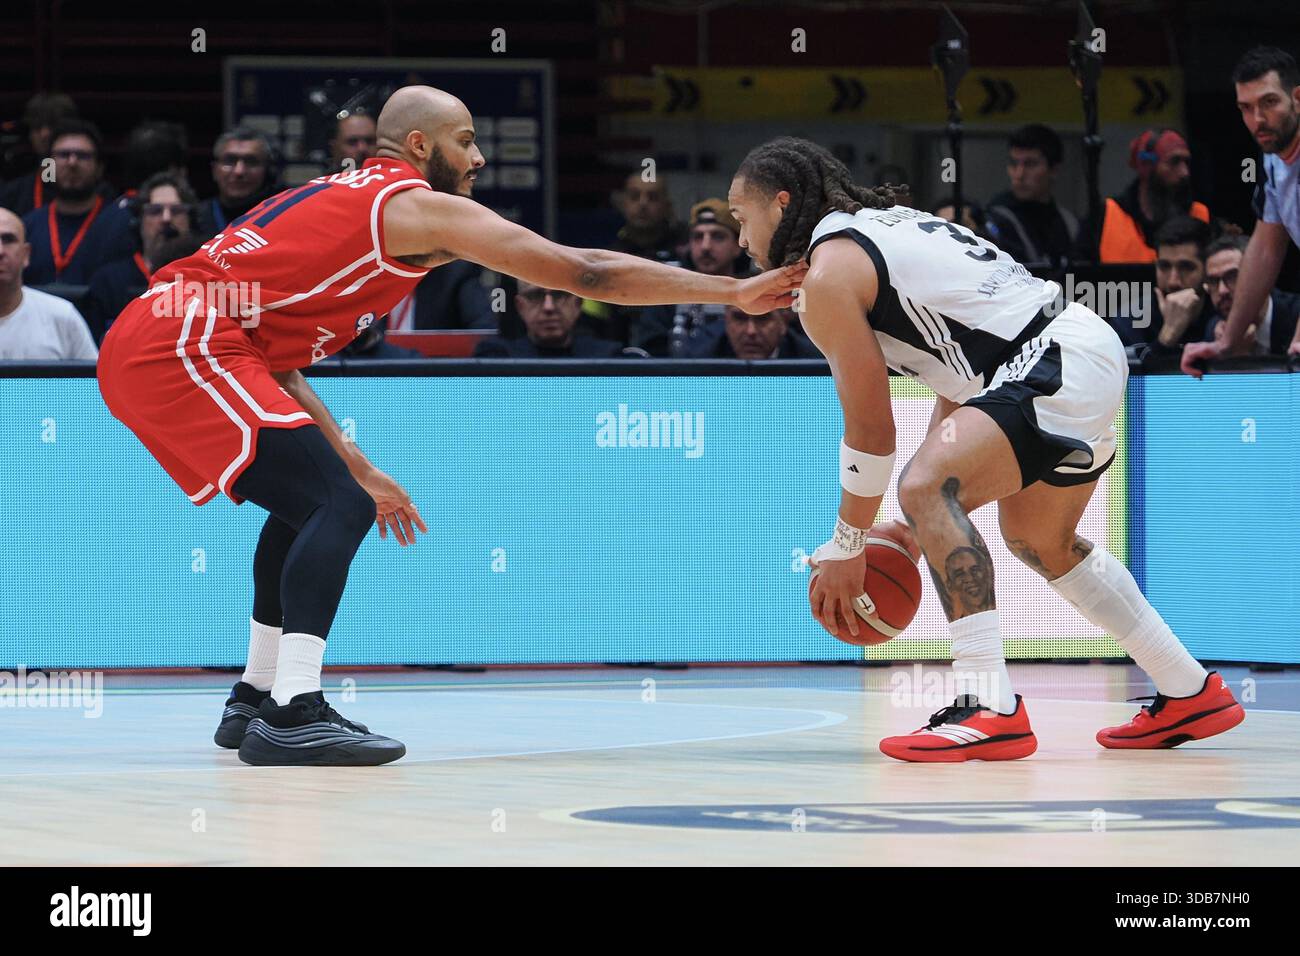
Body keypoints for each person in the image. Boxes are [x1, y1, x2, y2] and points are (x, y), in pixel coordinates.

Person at [96, 85, 803, 767]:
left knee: (315, 499)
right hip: (181, 339)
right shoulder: (412, 205)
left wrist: (357, 463)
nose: (478, 159)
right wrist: (731, 290)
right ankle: (293, 712)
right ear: (417, 145)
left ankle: (255, 696)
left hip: (168, 338)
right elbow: (584, 271)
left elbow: (273, 362)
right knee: (334, 504)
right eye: (465, 142)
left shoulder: (330, 195)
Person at [726, 135, 1243, 762]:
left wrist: (849, 544)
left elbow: (871, 430)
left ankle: (987, 706)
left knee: (924, 487)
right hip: (1074, 349)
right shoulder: (887, 225)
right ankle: (1190, 689)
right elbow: (962, 375)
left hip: (1050, 359)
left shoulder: (829, 275)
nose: (739, 236)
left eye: (739, 216)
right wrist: (923, 524)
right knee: (1036, 538)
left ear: (780, 204)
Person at [1184, 46, 1300, 376]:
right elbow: (1265, 248)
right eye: (1246, 108)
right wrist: (1227, 341)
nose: (1258, 120)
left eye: (1269, 103)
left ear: (1298, 99)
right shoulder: (1273, 160)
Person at [83, 172, 198, 342]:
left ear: (191, 220)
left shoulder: (204, 275)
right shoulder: (108, 281)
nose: (166, 219)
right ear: (139, 221)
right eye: (155, 211)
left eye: (176, 210)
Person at [631, 198, 752, 355]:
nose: (705, 246)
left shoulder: (751, 291)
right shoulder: (666, 293)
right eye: (698, 237)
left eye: (717, 236)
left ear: (738, 246)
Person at [20, 119, 132, 285]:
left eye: (83, 156)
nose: (72, 163)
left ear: (99, 168)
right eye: (63, 155)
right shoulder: (28, 226)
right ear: (47, 167)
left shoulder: (122, 223)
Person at [1096, 128, 1209, 264]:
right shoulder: (1106, 216)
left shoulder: (1201, 216)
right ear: (1146, 166)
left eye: (1186, 162)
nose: (1185, 172)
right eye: (1174, 162)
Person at [0, 208, 97, 360]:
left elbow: (93, 382)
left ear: (26, 254)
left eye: (8, 240)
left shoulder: (63, 316)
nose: (0, 251)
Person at [983, 124, 1079, 267]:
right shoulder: (995, 219)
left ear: (1054, 170)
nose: (1019, 174)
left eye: (1030, 164)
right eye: (1014, 164)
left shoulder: (1069, 223)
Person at [1201, 233, 1300, 356]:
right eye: (1213, 281)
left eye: (1233, 277)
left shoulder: (1295, 316)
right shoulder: (1214, 329)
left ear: (1262, 276)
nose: (1222, 290)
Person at [474, 280, 625, 358]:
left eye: (559, 295)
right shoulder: (496, 359)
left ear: (577, 304)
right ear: (520, 306)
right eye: (536, 296)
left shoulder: (610, 358)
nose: (548, 307)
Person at [0, 93, 79, 216]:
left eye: (53, 126)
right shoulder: (13, 193)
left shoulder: (96, 193)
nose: (44, 134)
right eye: (37, 127)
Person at [195, 127, 276, 238]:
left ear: (267, 170)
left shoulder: (280, 215)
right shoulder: (195, 218)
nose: (239, 171)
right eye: (230, 161)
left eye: (251, 162)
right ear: (214, 170)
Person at [687, 305, 821, 360]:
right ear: (726, 321)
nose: (751, 331)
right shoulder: (702, 359)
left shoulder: (815, 362)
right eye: (740, 318)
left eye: (763, 318)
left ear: (783, 323)